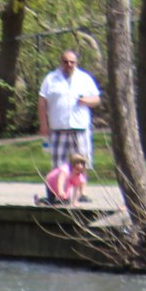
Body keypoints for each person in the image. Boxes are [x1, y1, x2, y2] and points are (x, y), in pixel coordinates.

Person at [37, 47, 100, 193]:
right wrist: (43, 124)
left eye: (72, 62)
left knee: (81, 163)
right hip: (58, 128)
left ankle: (81, 193)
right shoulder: (51, 79)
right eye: (65, 62)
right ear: (61, 62)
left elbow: (97, 99)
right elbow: (42, 102)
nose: (69, 65)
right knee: (59, 164)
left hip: (80, 128)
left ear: (76, 63)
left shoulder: (84, 78)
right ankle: (60, 192)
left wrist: (87, 101)